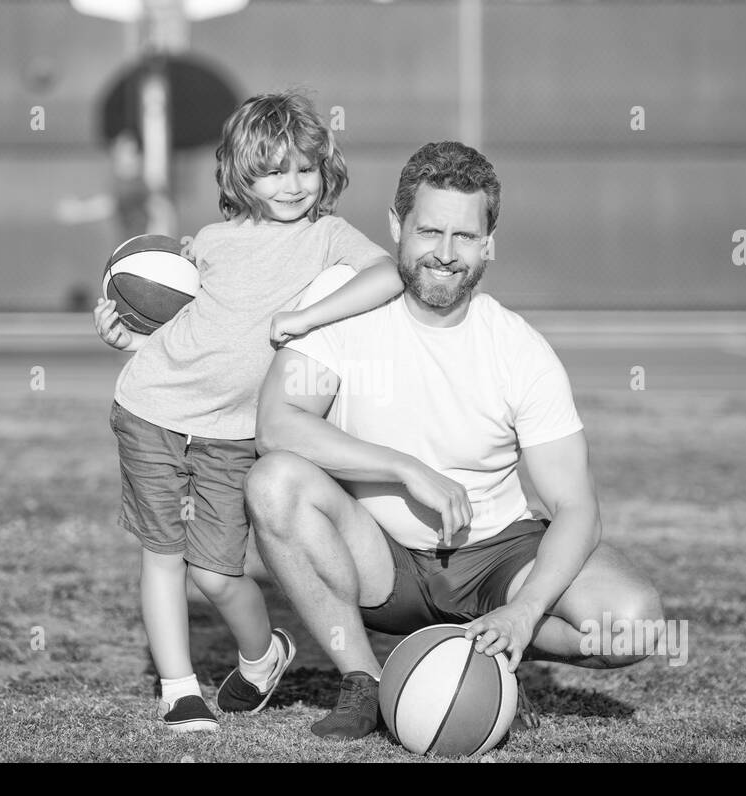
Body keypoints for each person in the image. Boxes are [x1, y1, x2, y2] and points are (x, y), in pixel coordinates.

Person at [246, 141, 665, 740]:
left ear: (490, 241)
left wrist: (523, 612)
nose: (444, 254)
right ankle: (364, 681)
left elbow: (577, 508)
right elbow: (276, 424)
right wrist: (403, 467)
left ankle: (489, 651)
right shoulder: (341, 303)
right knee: (274, 481)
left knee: (635, 623)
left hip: (497, 558)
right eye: (429, 231)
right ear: (397, 226)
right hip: (381, 558)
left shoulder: (519, 350)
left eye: (465, 237)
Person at [90, 92, 409, 733]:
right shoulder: (208, 241)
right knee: (162, 554)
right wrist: (134, 340)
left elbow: (391, 273)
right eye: (270, 169)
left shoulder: (327, 236)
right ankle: (179, 691)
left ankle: (264, 656)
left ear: (325, 170)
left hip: (233, 434)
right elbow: (198, 327)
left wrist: (307, 317)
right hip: (150, 406)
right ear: (242, 175)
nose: (290, 184)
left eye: (304, 168)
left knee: (214, 573)